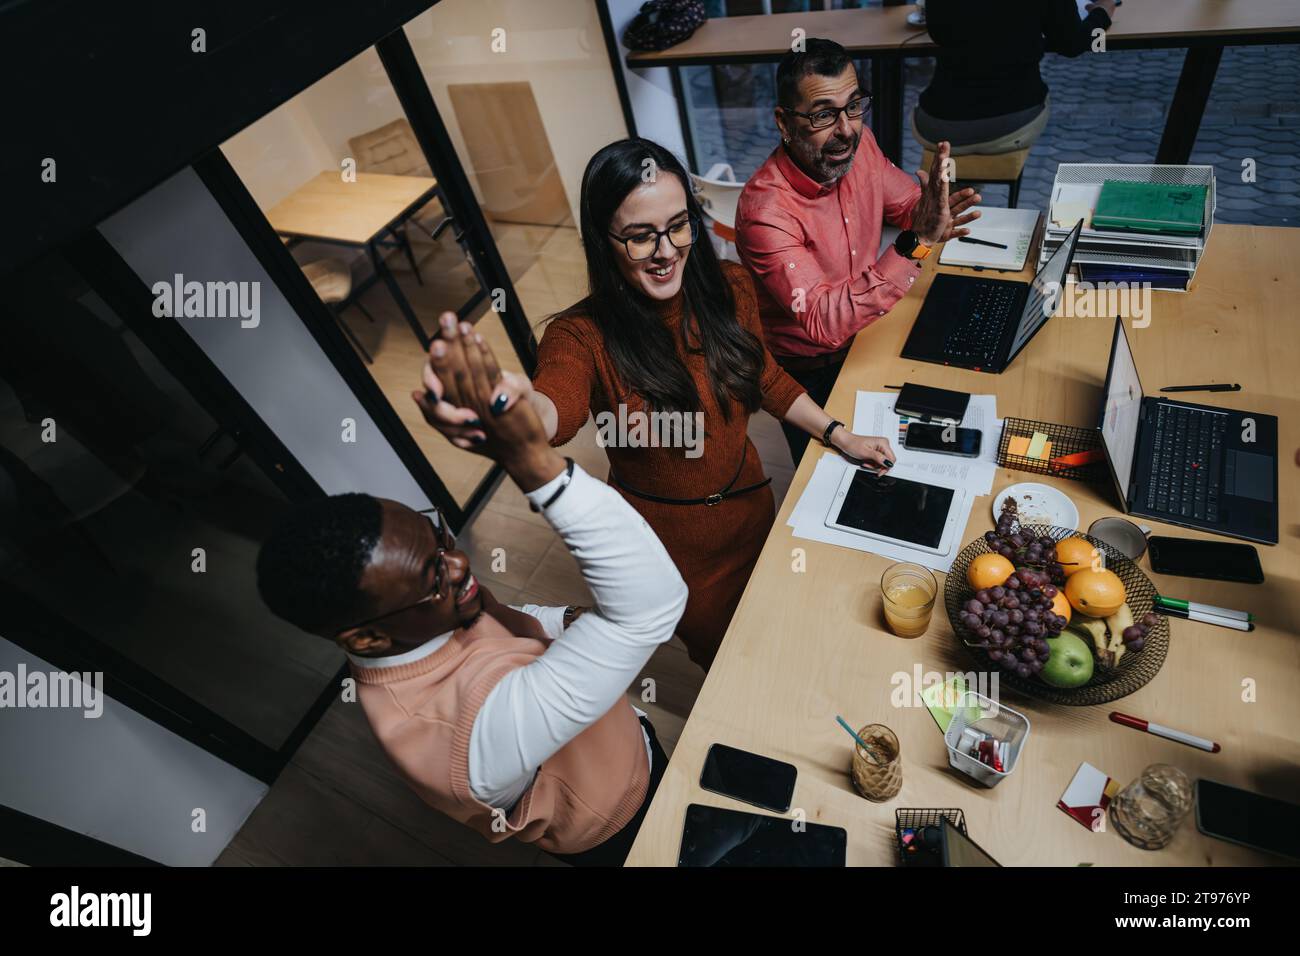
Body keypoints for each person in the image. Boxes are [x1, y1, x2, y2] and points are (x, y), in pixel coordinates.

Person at [417, 137, 897, 672]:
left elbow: (763, 375)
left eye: (677, 225)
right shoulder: (580, 338)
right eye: (641, 237)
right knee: (738, 666)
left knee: (794, 631)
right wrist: (511, 410)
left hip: (755, 511)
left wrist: (838, 434)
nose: (667, 251)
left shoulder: (730, 287)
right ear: (604, 241)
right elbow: (553, 409)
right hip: (676, 558)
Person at [257, 317, 688, 865]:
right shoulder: (467, 742)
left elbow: (503, 620)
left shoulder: (418, 619)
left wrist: (560, 621)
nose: (459, 565)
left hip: (633, 747)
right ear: (365, 639)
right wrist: (534, 463)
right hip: (617, 822)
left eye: (438, 538)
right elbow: (653, 607)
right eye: (432, 576)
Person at [735, 38, 982, 465]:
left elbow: (905, 204)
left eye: (854, 106)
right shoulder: (765, 212)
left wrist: (930, 209)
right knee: (826, 476)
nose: (847, 128)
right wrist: (916, 243)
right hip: (810, 370)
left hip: (869, 331)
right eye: (824, 114)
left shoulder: (858, 144)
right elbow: (823, 321)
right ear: (783, 122)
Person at [914, 0, 1118, 155]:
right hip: (1012, 120)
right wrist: (1102, 14)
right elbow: (1072, 44)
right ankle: (968, 190)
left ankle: (961, 191)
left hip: (935, 124)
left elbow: (938, 33)